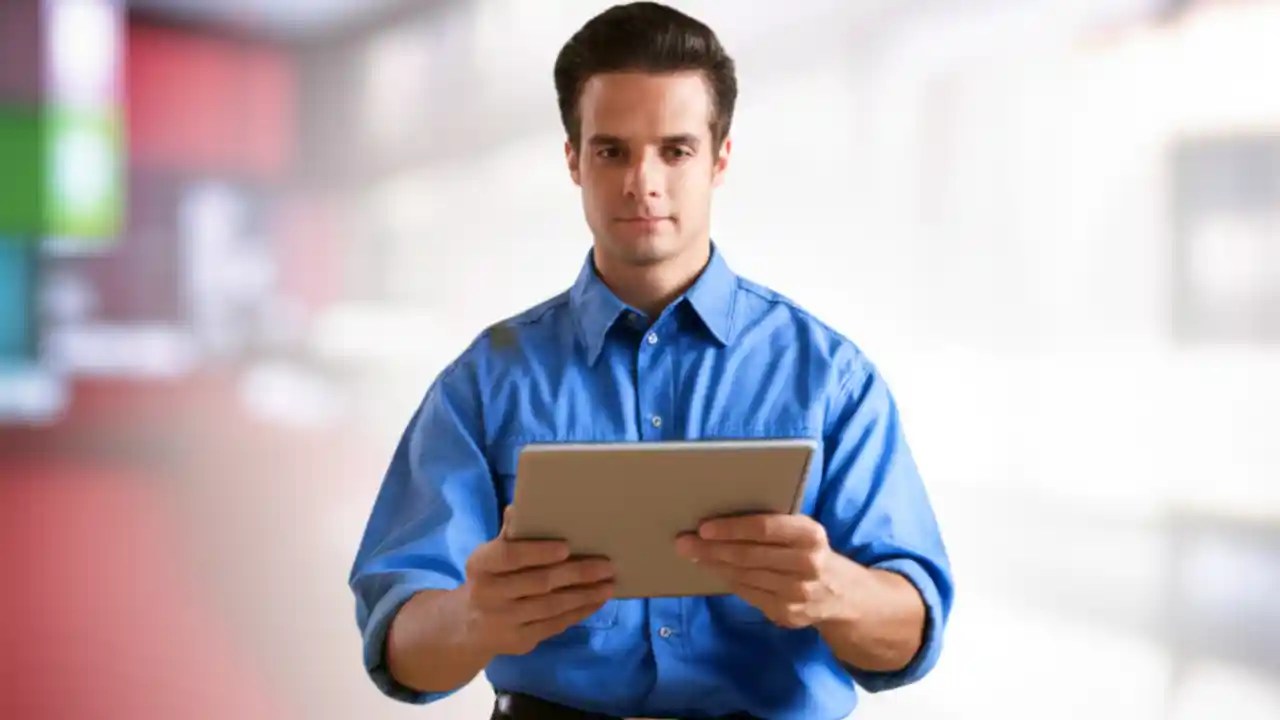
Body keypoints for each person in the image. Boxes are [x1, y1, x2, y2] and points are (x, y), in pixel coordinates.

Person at [348, 3, 953, 719]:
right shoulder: (486, 380)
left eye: (675, 149)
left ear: (720, 158)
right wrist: (475, 616)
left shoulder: (830, 378)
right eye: (612, 150)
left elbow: (911, 635)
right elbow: (398, 647)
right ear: (573, 159)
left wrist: (832, 590)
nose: (643, 181)